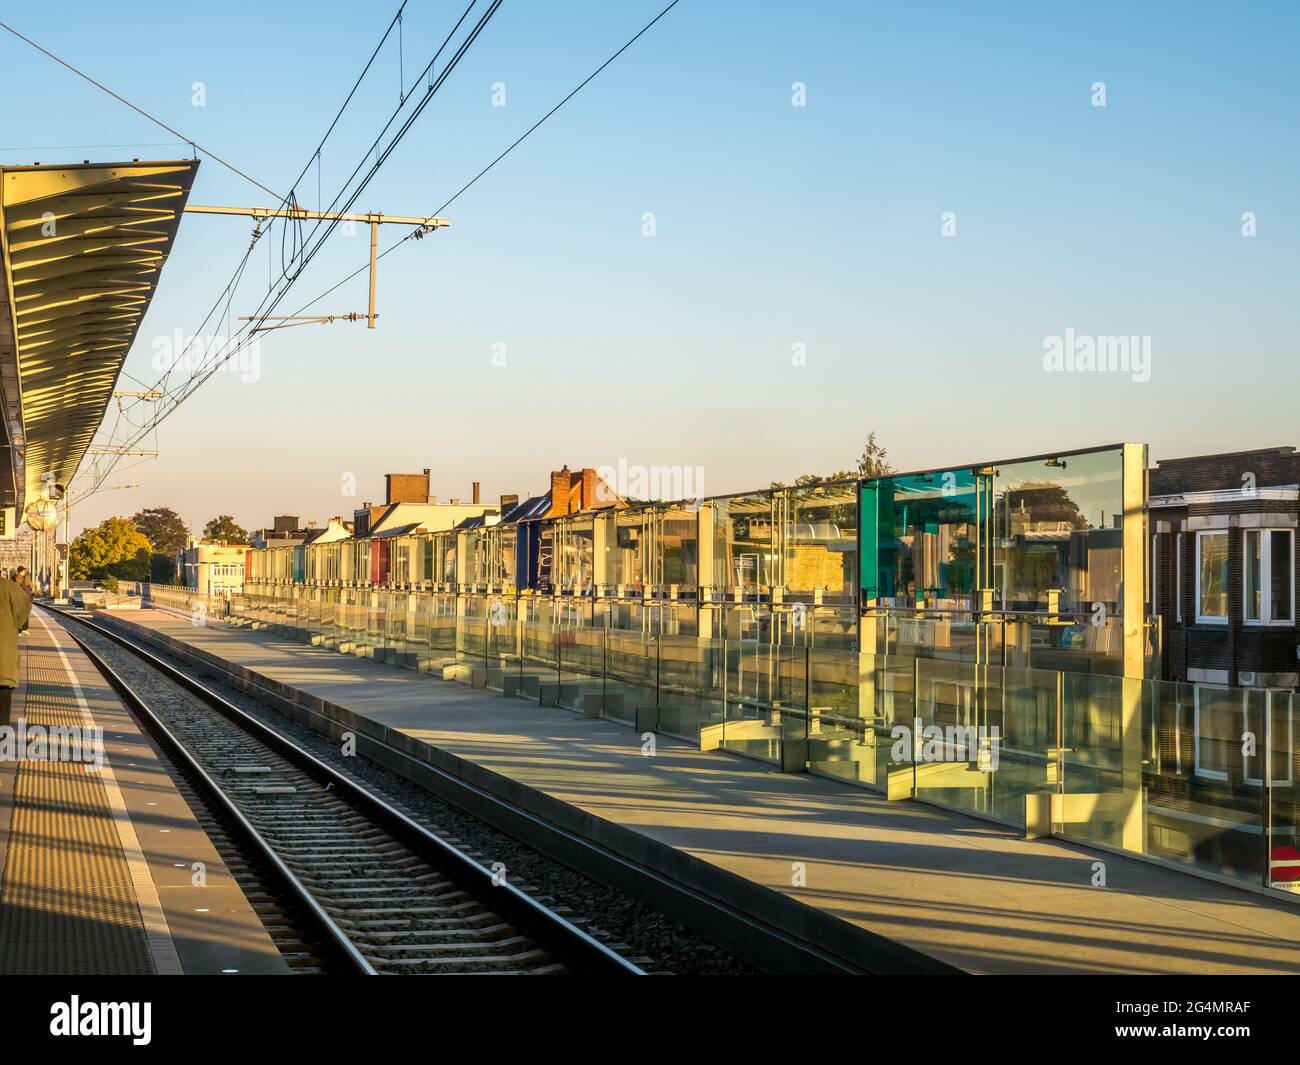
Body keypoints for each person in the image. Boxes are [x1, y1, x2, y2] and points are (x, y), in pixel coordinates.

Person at [0, 569, 31, 728]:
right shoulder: (12, 588)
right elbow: (25, 608)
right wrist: (15, 626)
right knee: (3, 701)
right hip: (4, 658)